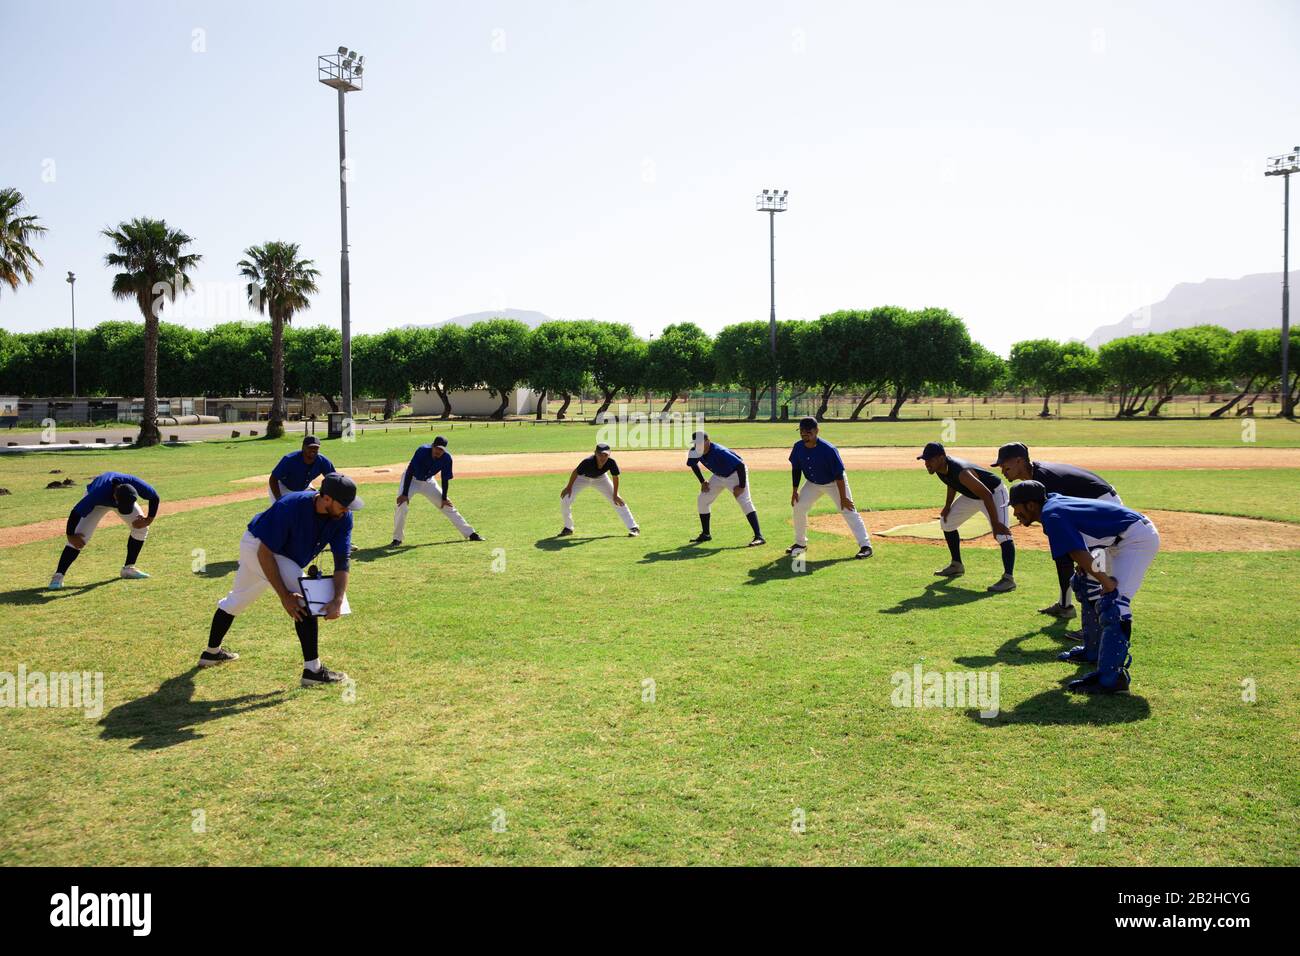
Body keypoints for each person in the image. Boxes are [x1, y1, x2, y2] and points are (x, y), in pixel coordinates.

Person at [199, 472, 362, 687]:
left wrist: (338, 599)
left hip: (280, 555)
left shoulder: (342, 518)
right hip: (257, 546)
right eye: (344, 505)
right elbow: (264, 554)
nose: (347, 510)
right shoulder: (291, 506)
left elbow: (342, 561)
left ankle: (211, 653)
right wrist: (285, 596)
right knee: (304, 599)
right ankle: (312, 671)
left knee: (236, 600)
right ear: (326, 498)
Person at [1009, 481, 1160, 694]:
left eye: (1016, 507)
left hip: (1136, 540)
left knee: (1115, 603)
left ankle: (1112, 678)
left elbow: (1076, 551)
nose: (1014, 513)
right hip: (1114, 540)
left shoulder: (1051, 515)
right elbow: (1079, 541)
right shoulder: (1050, 504)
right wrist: (1089, 571)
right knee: (1082, 584)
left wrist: (1107, 582)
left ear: (1031, 505)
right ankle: (1093, 651)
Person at [991, 442, 1122, 620]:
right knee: (1069, 556)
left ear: (1019, 461)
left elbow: (1058, 516)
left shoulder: (1044, 479)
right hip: (1096, 506)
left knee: (1087, 569)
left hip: (1104, 507)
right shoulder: (1034, 477)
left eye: (1005, 464)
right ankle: (1065, 605)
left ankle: (1093, 625)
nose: (1002, 470)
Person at [917, 441, 1015, 592]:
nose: (927, 463)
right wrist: (948, 506)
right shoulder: (940, 468)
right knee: (947, 522)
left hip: (994, 493)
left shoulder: (962, 472)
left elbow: (986, 495)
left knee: (1002, 534)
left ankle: (1008, 579)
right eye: (925, 460)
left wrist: (995, 523)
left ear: (942, 457)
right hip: (973, 495)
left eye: (930, 459)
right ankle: (957, 565)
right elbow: (951, 483)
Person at [48, 472, 160, 589]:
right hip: (98, 503)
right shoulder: (96, 495)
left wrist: (149, 519)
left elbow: (155, 497)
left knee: (141, 528)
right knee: (80, 536)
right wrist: (70, 535)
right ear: (115, 498)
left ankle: (128, 569)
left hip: (122, 497)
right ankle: (58, 576)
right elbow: (76, 512)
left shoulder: (134, 485)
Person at [787, 418, 872, 559]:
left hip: (834, 482)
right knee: (799, 506)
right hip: (813, 483)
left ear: (816, 431)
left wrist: (843, 498)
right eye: (802, 431)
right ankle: (800, 543)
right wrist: (795, 490)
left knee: (848, 509)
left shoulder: (828, 450)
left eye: (808, 431)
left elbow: (838, 475)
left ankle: (866, 545)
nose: (804, 434)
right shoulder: (798, 447)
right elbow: (796, 468)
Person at [390, 435, 484, 546]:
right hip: (411, 480)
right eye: (437, 448)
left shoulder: (447, 458)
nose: (439, 451)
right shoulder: (422, 451)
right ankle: (397, 539)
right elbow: (410, 471)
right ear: (432, 446)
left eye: (442, 449)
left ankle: (471, 533)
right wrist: (405, 493)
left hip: (429, 482)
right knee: (402, 505)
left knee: (448, 506)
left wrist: (444, 498)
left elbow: (445, 479)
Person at [686, 431, 764, 546]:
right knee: (703, 499)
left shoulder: (720, 452)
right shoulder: (694, 451)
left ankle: (759, 536)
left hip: (735, 475)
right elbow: (693, 464)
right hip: (718, 476)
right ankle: (706, 534)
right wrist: (702, 481)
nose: (698, 445)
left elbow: (740, 465)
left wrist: (741, 486)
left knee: (744, 501)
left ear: (708, 441)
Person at [559, 443, 640, 537]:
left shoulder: (611, 462)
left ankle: (634, 527)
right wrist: (569, 487)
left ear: (609, 454)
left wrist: (615, 495)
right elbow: (576, 472)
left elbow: (615, 477)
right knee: (565, 500)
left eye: (605, 455)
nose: (603, 457)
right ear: (595, 453)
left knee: (618, 501)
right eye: (600, 454)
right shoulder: (587, 461)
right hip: (582, 478)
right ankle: (568, 528)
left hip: (601, 479)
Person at [268, 434, 336, 501]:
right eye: (310, 447)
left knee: (313, 505)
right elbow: (273, 479)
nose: (313, 450)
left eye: (316, 448)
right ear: (303, 447)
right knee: (283, 510)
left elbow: (333, 479)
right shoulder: (290, 459)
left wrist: (322, 492)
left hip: (304, 487)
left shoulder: (322, 461)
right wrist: (279, 500)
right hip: (283, 487)